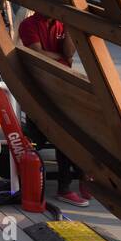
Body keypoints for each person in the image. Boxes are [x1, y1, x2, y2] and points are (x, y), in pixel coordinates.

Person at [17, 11, 89, 206]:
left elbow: (69, 54)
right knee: (64, 132)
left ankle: (84, 176)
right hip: (41, 90)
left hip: (63, 87)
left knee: (84, 125)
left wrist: (69, 29)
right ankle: (67, 186)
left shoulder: (61, 23)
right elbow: (38, 54)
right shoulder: (29, 24)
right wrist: (60, 59)